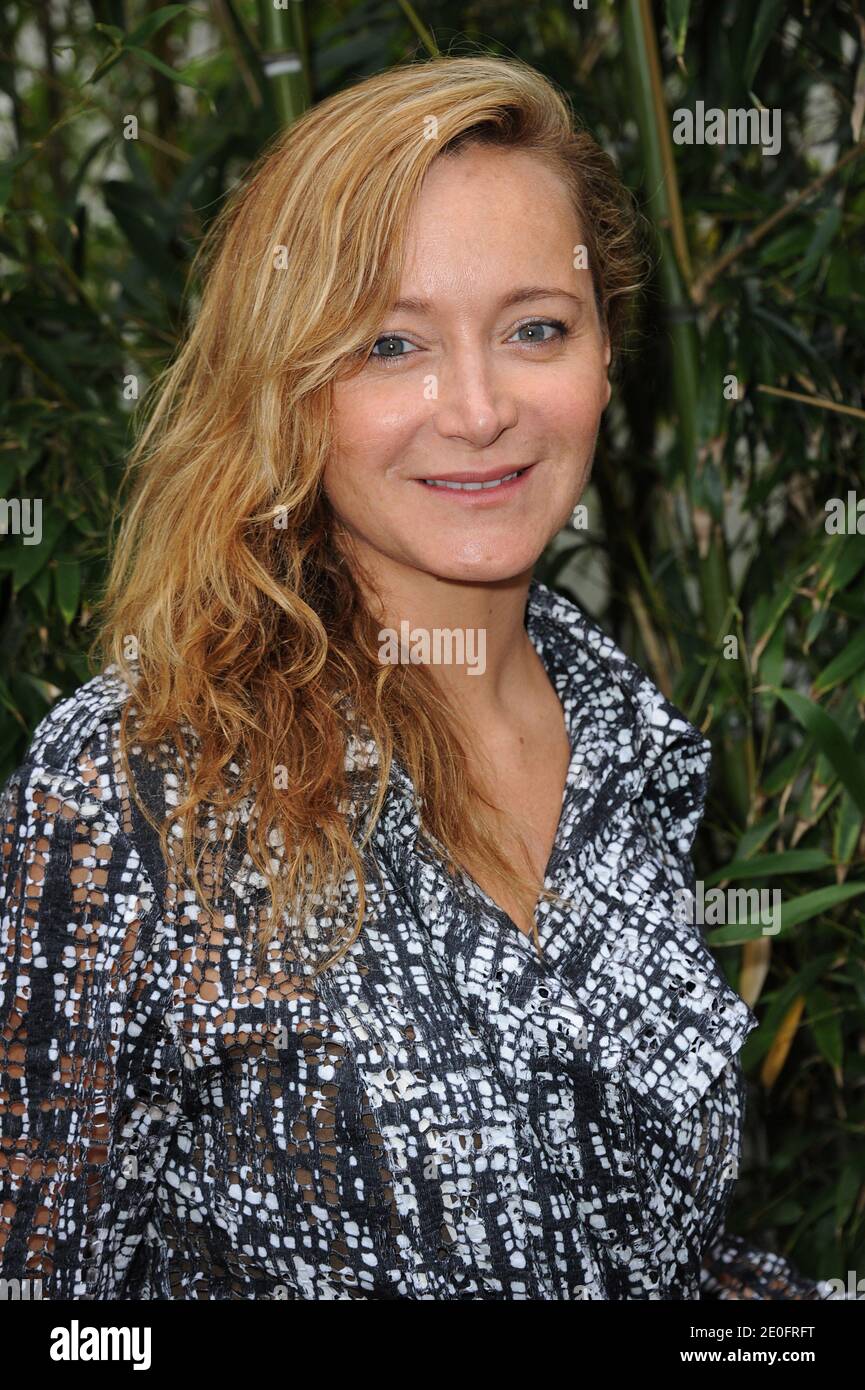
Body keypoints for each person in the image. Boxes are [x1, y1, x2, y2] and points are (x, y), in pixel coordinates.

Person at [0, 53, 829, 1300]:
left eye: (534, 329)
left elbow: (654, 1269)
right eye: (392, 344)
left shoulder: (634, 747)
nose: (480, 406)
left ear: (606, 352)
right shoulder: (137, 784)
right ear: (287, 384)